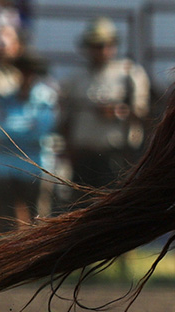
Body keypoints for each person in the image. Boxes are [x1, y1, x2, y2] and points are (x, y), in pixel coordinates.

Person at [58, 16, 150, 194]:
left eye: (106, 44)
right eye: (95, 45)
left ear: (114, 45)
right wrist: (67, 149)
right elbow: (65, 117)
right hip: (83, 155)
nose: (101, 50)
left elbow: (142, 111)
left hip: (115, 155)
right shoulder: (76, 78)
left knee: (111, 207)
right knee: (80, 206)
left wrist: (118, 112)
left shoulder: (128, 73)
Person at [0, 53, 58, 236]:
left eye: (30, 72)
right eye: (23, 71)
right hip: (8, 167)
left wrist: (12, 128)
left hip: (33, 167)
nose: (26, 76)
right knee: (8, 220)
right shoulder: (5, 98)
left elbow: (41, 129)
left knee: (36, 219)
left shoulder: (47, 99)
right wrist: (26, 126)